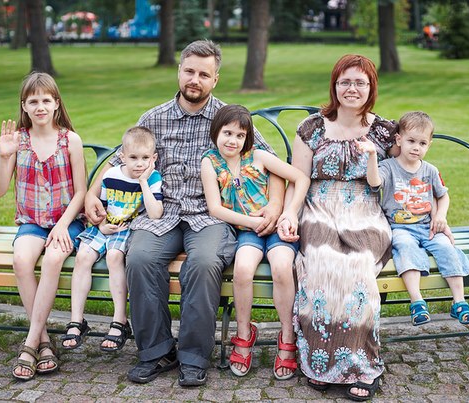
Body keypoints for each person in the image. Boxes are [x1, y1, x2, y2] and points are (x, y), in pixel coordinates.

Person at [84, 40, 283, 387]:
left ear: (215, 79)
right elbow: (118, 163)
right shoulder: (153, 118)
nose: (195, 79)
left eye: (204, 74)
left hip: (211, 216)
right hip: (160, 213)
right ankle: (156, 352)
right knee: (140, 258)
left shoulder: (228, 120)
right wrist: (91, 194)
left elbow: (272, 164)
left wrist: (276, 205)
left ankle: (193, 356)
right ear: (179, 71)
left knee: (203, 263)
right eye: (189, 71)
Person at [285, 54, 397, 400]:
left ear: (371, 88)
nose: (352, 88)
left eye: (360, 82)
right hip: (319, 208)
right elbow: (298, 179)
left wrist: (434, 210)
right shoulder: (312, 128)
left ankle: (361, 365)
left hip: (366, 212)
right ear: (334, 86)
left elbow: (407, 174)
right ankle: (321, 364)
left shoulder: (384, 132)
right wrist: (289, 214)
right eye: (345, 81)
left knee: (357, 267)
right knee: (321, 262)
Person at [201, 104, 310, 379]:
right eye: (227, 133)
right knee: (242, 270)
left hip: (277, 227)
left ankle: (287, 336)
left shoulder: (258, 156)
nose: (232, 140)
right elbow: (215, 208)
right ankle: (244, 333)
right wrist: (251, 223)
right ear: (216, 132)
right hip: (247, 230)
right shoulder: (210, 163)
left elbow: (300, 178)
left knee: (282, 267)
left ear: (247, 137)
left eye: (240, 135)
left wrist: (288, 212)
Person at [0, 72, 87, 381]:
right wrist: (4, 157)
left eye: (46, 100)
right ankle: (44, 339)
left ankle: (31, 343)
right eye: (33, 101)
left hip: (67, 221)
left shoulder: (70, 140)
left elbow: (81, 192)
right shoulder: (18, 141)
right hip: (32, 222)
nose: (40, 106)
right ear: (24, 105)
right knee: (21, 260)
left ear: (57, 103)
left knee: (54, 259)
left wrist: (62, 225)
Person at [360, 111, 469, 327]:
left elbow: (443, 196)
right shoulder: (389, 167)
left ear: (429, 145)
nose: (416, 147)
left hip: (427, 227)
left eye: (422, 143)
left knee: (447, 247)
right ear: (399, 140)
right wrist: (372, 156)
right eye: (411, 141)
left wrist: (440, 216)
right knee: (406, 248)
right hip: (400, 227)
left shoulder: (430, 170)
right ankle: (417, 301)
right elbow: (374, 182)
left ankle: (459, 301)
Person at [61, 126, 163, 352]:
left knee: (115, 256)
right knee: (83, 256)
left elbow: (155, 213)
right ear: (122, 157)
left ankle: (119, 321)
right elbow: (103, 207)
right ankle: (76, 321)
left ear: (153, 158)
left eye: (145, 158)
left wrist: (143, 182)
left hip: (128, 228)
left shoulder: (154, 178)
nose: (139, 164)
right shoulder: (111, 175)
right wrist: (101, 225)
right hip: (106, 225)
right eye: (133, 158)